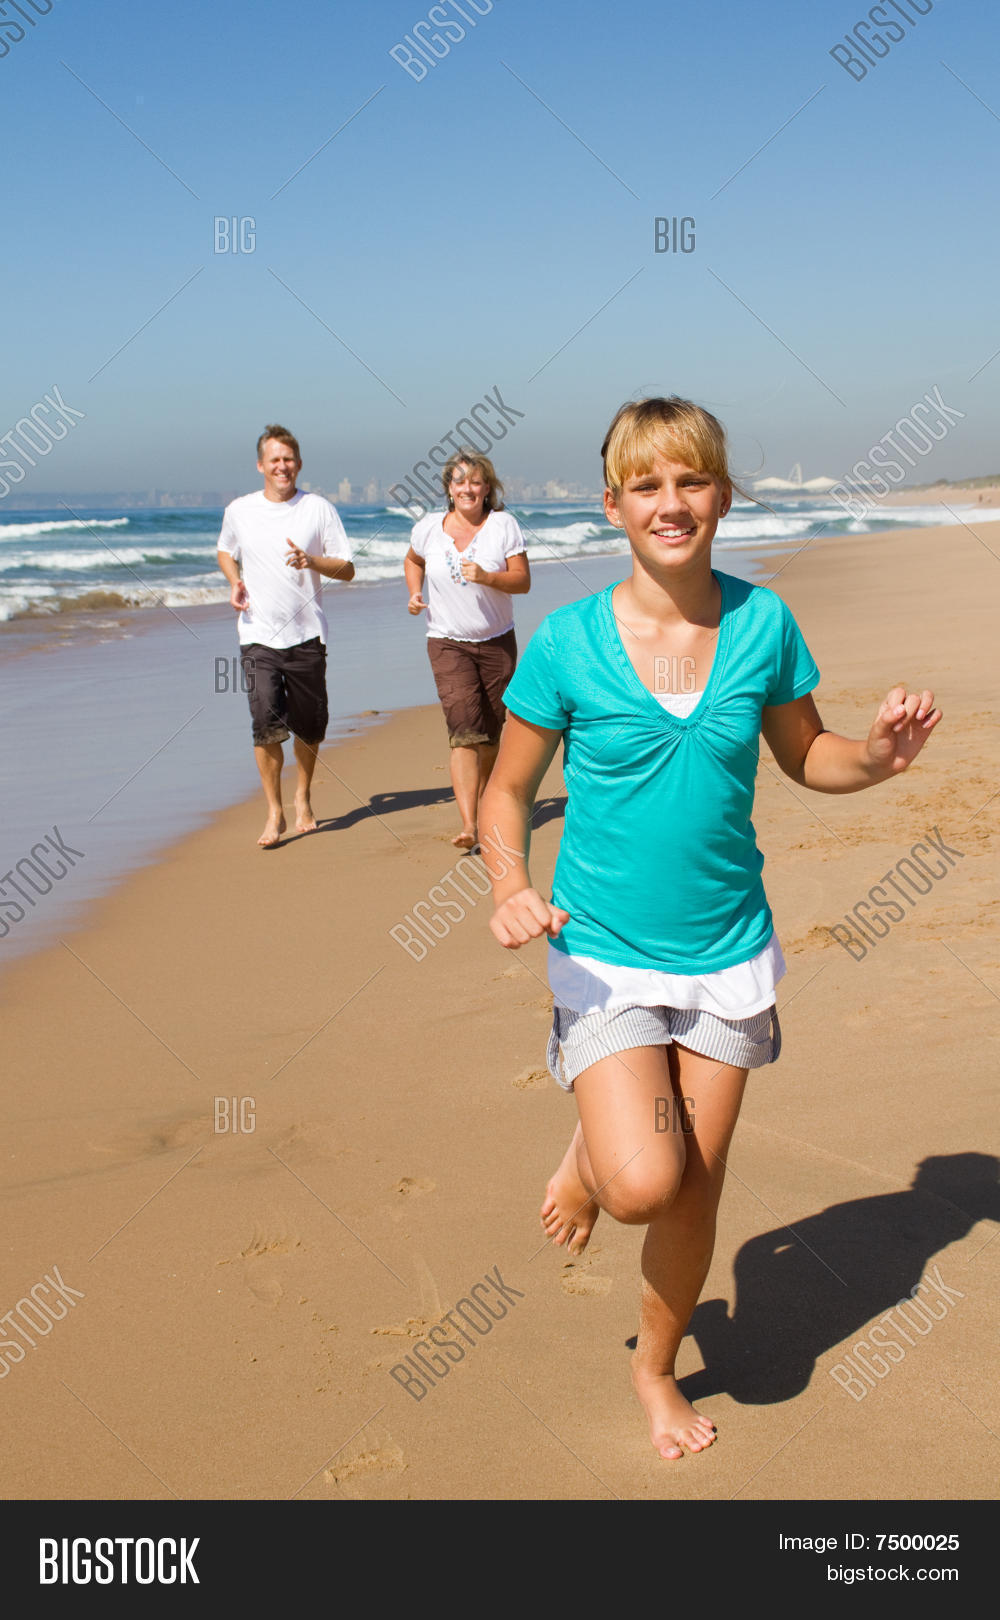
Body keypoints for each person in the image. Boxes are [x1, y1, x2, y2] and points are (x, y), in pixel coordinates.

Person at [479, 396, 942, 1461]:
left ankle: (654, 1370)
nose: (670, 502)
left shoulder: (764, 625)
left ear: (722, 496)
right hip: (603, 954)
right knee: (644, 1181)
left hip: (728, 953)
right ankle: (595, 1158)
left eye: (691, 480)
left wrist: (877, 758)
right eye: (645, 484)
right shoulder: (567, 643)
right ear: (612, 506)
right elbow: (505, 791)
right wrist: (507, 882)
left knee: (694, 1186)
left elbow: (806, 754)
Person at [217, 424, 355, 847]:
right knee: (265, 724)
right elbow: (225, 550)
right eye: (274, 459)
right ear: (261, 465)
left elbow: (347, 568)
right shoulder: (240, 510)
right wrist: (234, 580)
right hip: (257, 634)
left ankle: (303, 796)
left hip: (307, 634)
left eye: (289, 459)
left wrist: (311, 561)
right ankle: (274, 810)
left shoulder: (318, 509)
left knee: (309, 728)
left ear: (299, 463)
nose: (282, 466)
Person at [404, 450, 530, 849]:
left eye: (475, 481)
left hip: (496, 642)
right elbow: (412, 560)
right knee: (463, 730)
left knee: (490, 734)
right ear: (449, 488)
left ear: (487, 488)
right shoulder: (429, 528)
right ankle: (470, 825)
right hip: (447, 641)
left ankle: (485, 800)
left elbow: (522, 581)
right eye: (459, 481)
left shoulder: (503, 526)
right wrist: (414, 592)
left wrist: (489, 577)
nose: (467, 488)